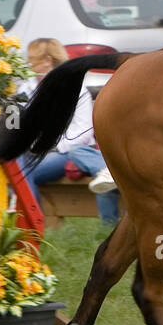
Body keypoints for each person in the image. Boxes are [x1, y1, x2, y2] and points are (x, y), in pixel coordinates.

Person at [16, 38, 119, 224]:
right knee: (18, 164)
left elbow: (83, 133)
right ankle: (29, 218)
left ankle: (29, 221)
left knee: (22, 171)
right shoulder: (24, 89)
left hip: (66, 151)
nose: (28, 64)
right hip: (34, 154)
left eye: (32, 60)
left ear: (47, 60)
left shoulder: (74, 90)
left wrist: (49, 146)